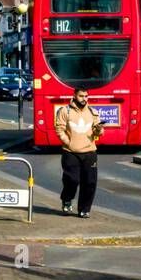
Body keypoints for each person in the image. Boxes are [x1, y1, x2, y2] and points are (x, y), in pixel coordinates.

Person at [54, 87, 101, 218]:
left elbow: (99, 133)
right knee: (72, 180)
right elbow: (59, 129)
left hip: (90, 152)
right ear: (74, 95)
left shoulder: (93, 112)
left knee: (90, 183)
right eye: (81, 96)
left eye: (86, 96)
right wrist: (68, 142)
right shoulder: (65, 111)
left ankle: (84, 209)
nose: (84, 99)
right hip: (70, 152)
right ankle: (67, 200)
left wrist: (99, 129)